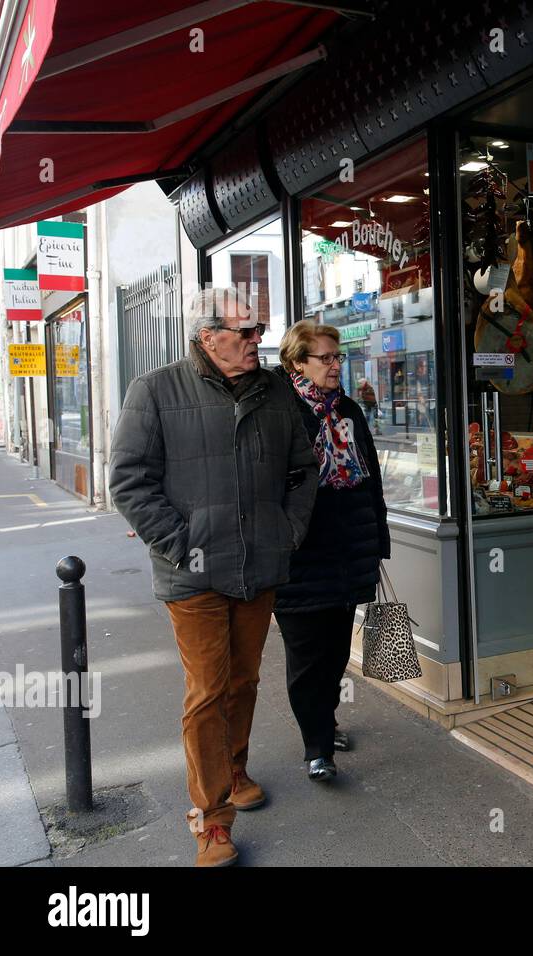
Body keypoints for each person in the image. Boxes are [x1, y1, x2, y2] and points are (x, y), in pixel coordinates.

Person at [109, 289, 318, 867]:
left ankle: (235, 768)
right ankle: (212, 818)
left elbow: (304, 468)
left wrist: (287, 530)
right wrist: (182, 545)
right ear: (208, 337)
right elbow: (129, 482)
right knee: (207, 690)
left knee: (244, 680)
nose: (258, 342)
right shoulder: (154, 390)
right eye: (246, 333)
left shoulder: (275, 388)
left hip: (258, 565)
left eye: (259, 332)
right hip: (192, 572)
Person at [272, 322, 390, 782]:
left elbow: (372, 480)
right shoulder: (281, 412)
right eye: (325, 358)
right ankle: (316, 748)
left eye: (338, 357)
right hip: (300, 557)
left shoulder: (349, 411)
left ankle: (327, 722)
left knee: (337, 652)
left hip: (346, 553)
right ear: (297, 362)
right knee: (306, 658)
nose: (335, 365)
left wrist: (377, 541)